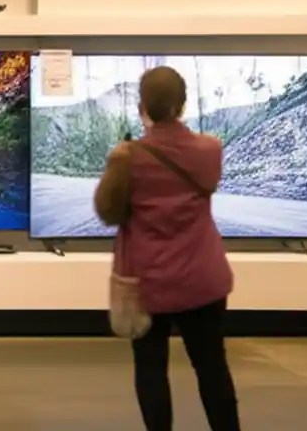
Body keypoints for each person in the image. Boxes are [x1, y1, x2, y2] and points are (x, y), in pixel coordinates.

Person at [94, 66, 241, 431]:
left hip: (149, 283)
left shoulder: (127, 158)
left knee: (151, 367)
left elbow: (107, 212)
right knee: (212, 367)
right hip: (203, 279)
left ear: (142, 107)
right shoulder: (210, 150)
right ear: (183, 104)